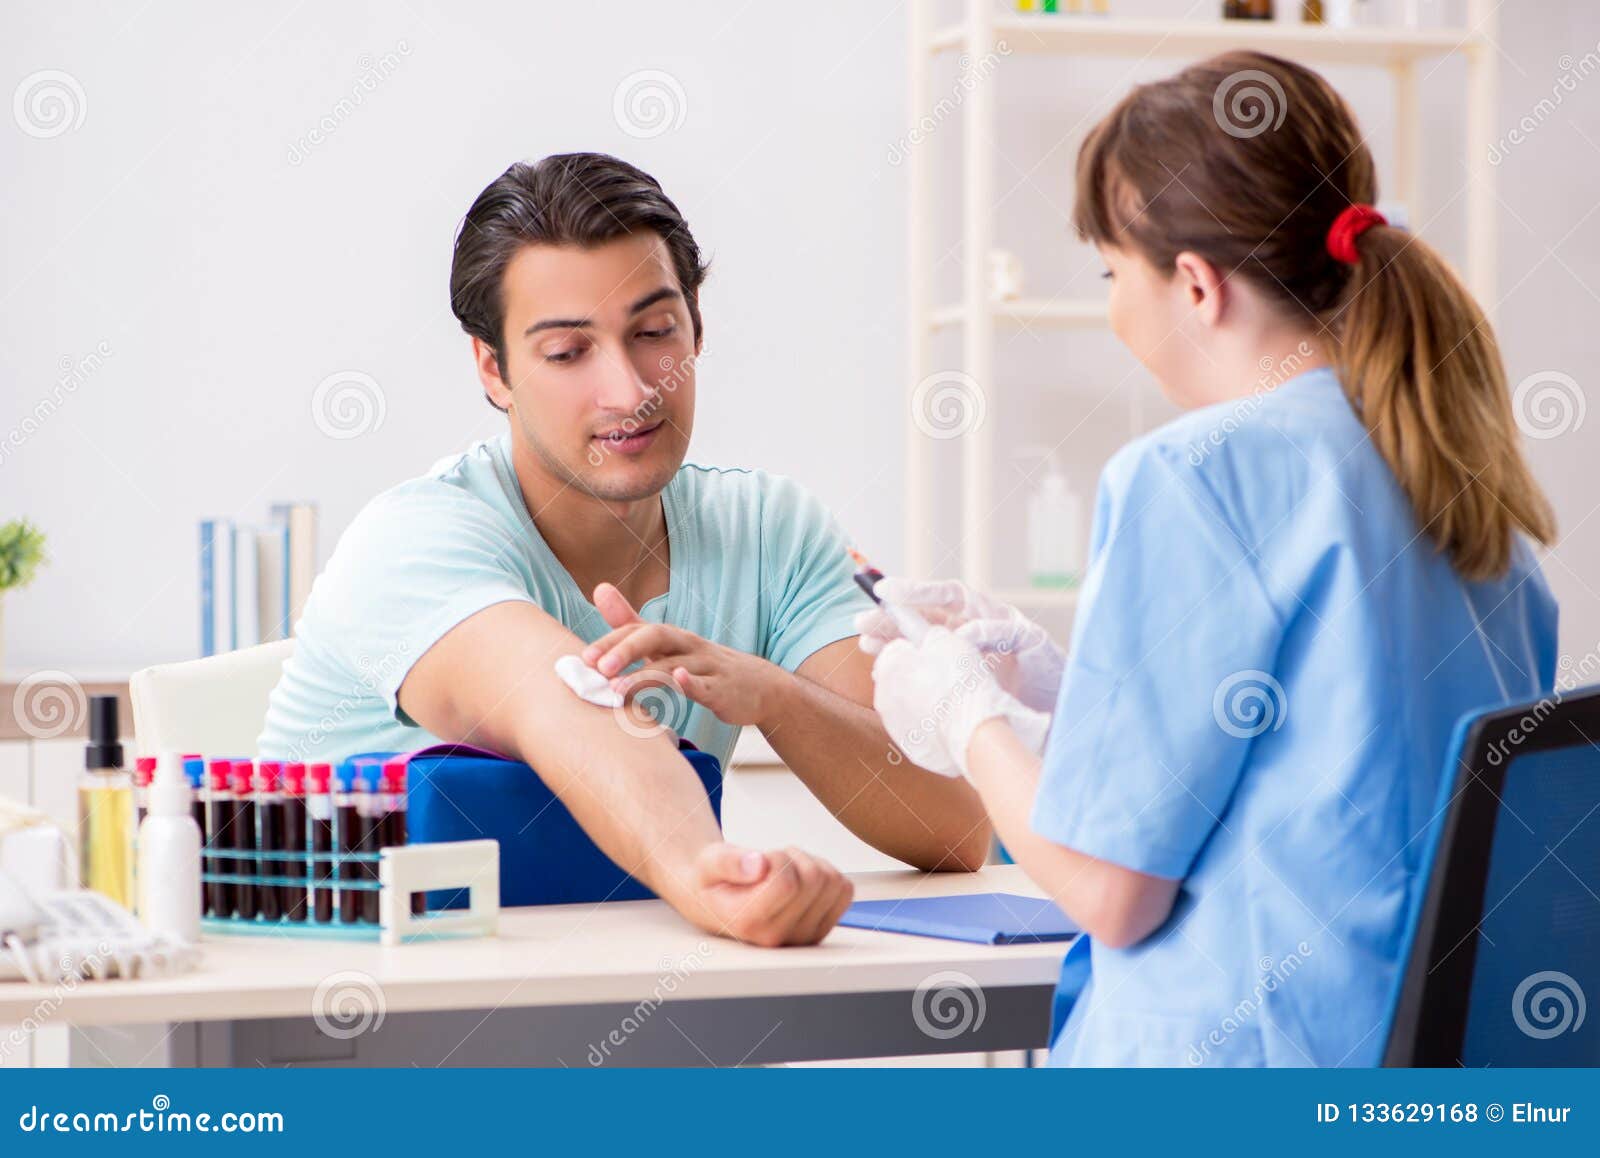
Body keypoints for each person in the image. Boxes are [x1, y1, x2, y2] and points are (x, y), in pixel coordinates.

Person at [861, 51, 1559, 1065]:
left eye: (1112, 275)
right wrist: (1067, 699)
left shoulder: (1191, 476)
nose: (1114, 308)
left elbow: (1111, 895)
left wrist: (964, 717)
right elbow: (1322, 778)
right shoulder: (1463, 486)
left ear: (1194, 284)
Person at [258, 153, 991, 948]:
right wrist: (704, 872)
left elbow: (954, 830)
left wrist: (777, 697)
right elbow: (563, 706)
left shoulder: (768, 531)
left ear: (696, 325)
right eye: (568, 352)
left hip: (602, 987)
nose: (631, 390)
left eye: (653, 332)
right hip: (358, 998)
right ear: (494, 370)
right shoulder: (412, 541)